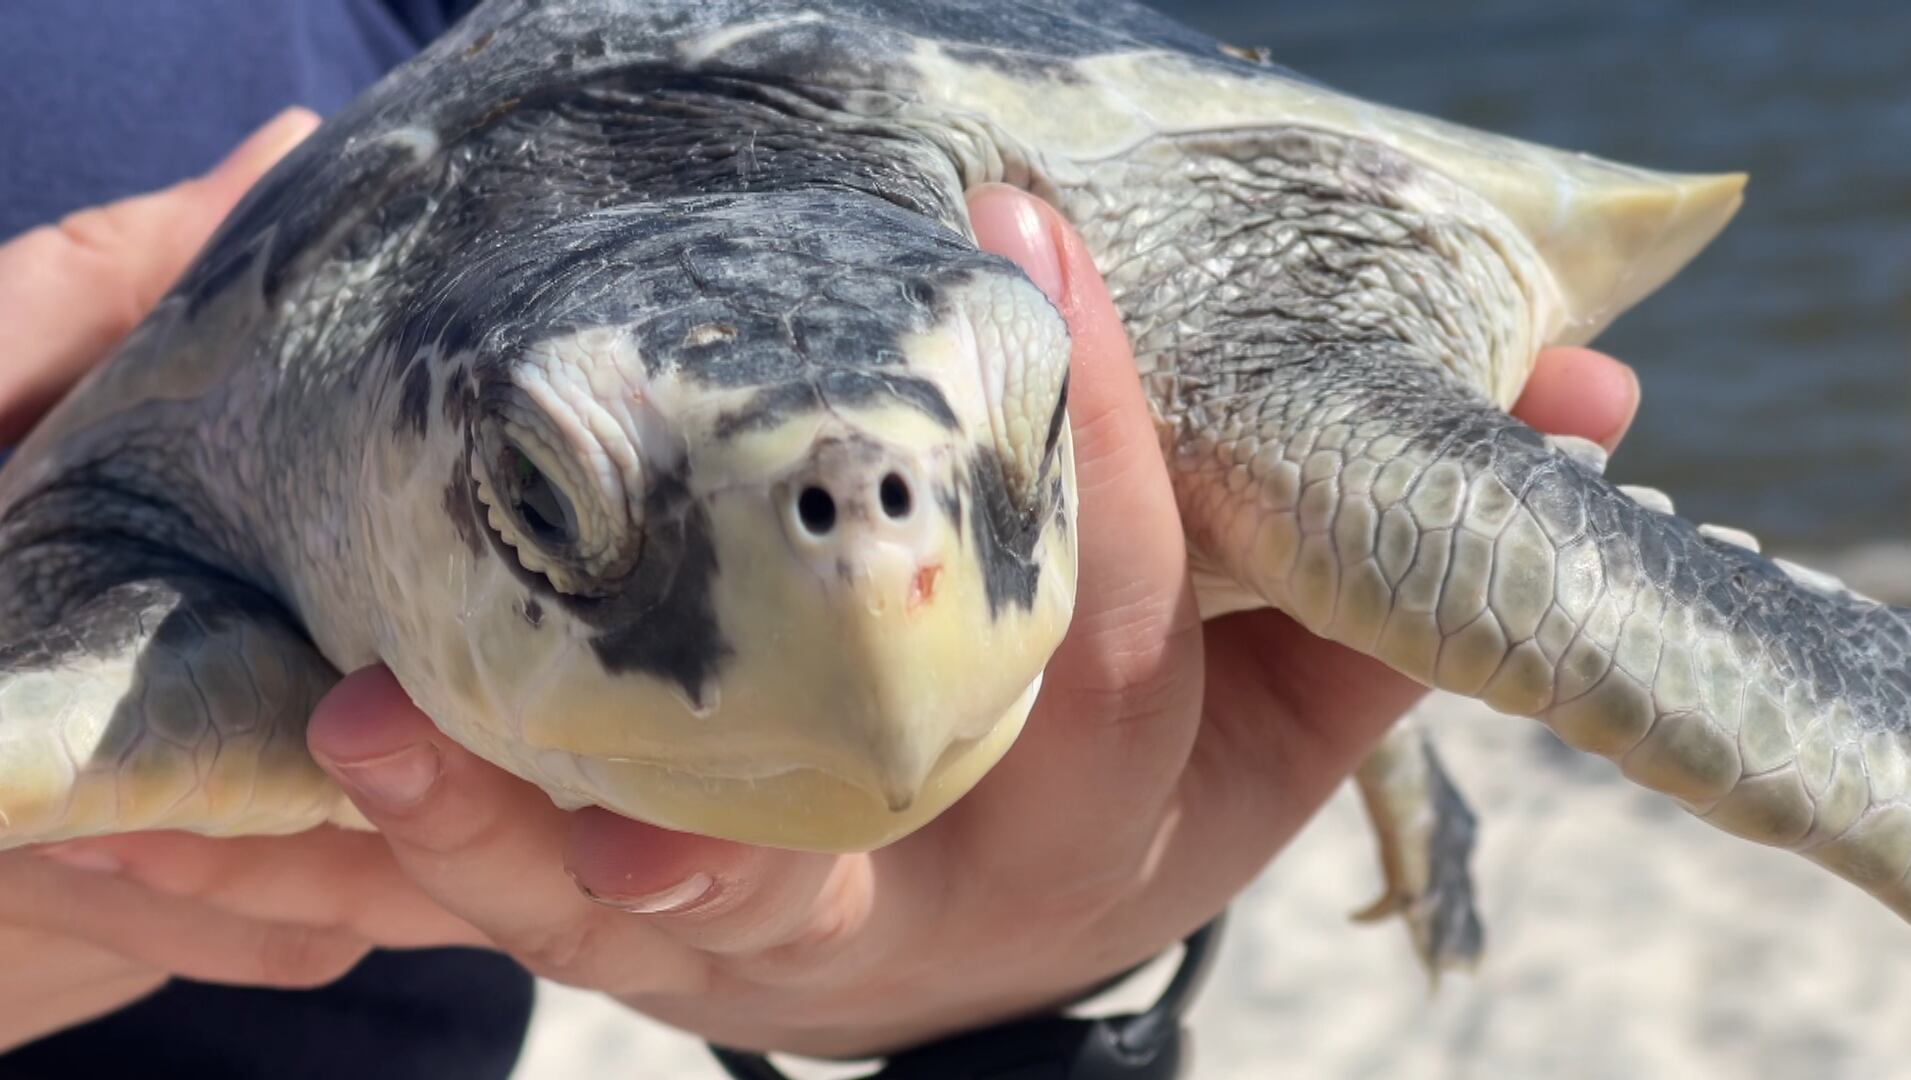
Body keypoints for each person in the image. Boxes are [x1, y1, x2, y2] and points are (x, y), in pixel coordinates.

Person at [0, 5, 1642, 1076]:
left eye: (1011, 451)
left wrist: (1018, 1015)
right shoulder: (220, 479)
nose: (872, 598)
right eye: (559, 506)